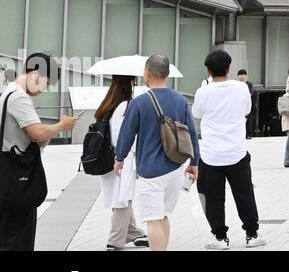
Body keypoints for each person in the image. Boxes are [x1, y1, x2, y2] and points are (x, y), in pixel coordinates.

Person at [113, 54, 199, 252]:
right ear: (167, 74)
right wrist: (194, 163)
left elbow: (126, 135)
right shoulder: (180, 99)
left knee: (153, 220)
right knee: (163, 216)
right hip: (175, 168)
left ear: (147, 72)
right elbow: (192, 134)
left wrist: (119, 159)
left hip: (151, 172)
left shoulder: (140, 102)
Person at [1, 53, 78, 250]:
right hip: (17, 181)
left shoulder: (8, 92)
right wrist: (62, 125)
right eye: (47, 82)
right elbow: (36, 133)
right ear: (36, 73)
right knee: (17, 239)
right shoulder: (18, 97)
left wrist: (50, 131)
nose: (45, 88)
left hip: (8, 178)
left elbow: (39, 137)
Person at [192, 50, 265, 250]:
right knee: (244, 193)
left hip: (211, 155)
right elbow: (247, 110)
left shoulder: (203, 91)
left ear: (208, 70)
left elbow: (196, 113)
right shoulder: (241, 88)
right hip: (237, 153)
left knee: (212, 197)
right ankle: (252, 234)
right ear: (229, 68)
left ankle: (219, 238)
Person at [95, 74, 148, 251]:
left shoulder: (108, 105)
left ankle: (132, 232)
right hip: (122, 157)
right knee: (122, 198)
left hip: (106, 157)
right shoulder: (126, 106)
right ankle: (115, 240)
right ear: (129, 84)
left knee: (119, 194)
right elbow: (126, 136)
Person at [236, 69, 255, 138]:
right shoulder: (236, 84)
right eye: (240, 75)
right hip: (238, 105)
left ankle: (249, 134)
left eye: (243, 75)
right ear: (238, 76)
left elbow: (250, 93)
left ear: (246, 76)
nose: (241, 76)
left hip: (248, 105)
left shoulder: (249, 84)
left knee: (249, 120)